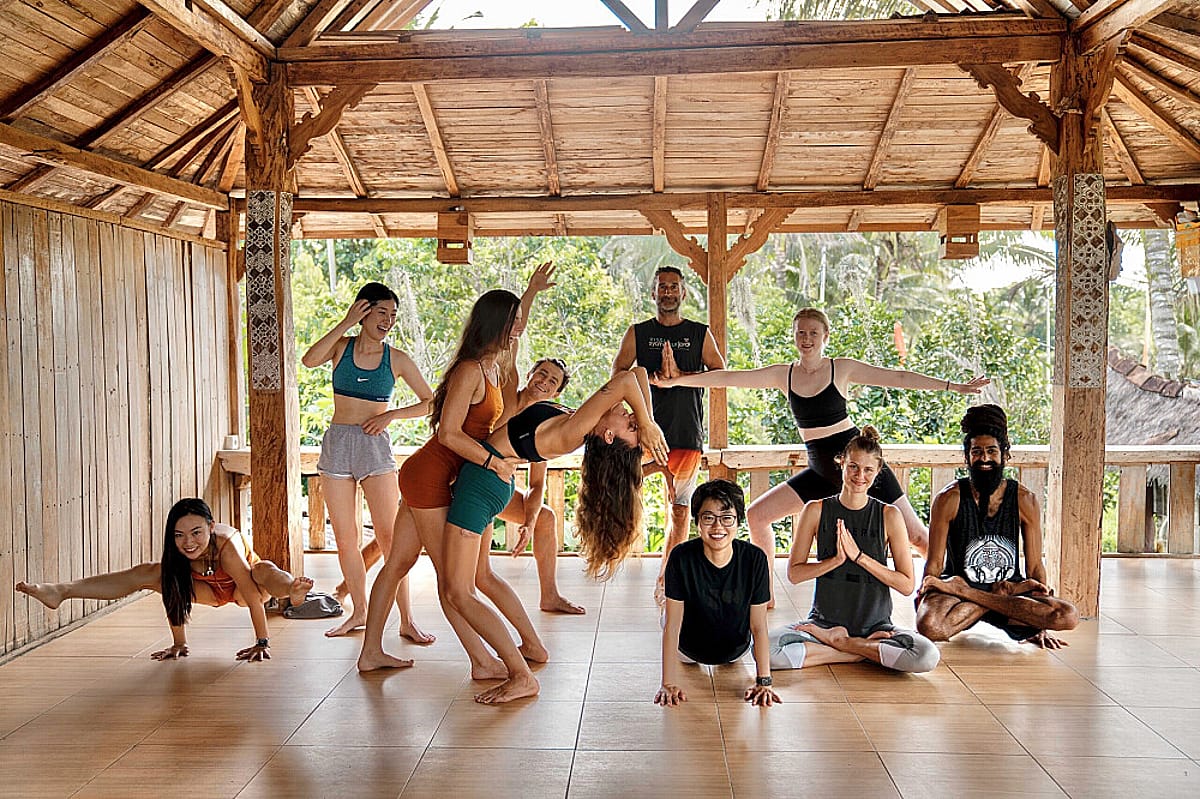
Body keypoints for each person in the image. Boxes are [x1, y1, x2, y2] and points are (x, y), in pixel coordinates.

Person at [656, 306, 987, 604]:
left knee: (916, 535)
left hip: (858, 466)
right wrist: (678, 383)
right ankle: (764, 594)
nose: (806, 339)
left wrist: (953, 387)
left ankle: (962, 586)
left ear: (825, 336)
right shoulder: (782, 374)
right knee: (757, 516)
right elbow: (729, 377)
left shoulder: (840, 369)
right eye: (801, 332)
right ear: (794, 336)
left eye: (813, 333)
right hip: (821, 473)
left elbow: (897, 377)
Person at [356, 268, 554, 681]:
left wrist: (531, 292)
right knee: (453, 583)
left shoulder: (496, 367)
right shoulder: (469, 371)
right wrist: (492, 462)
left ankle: (370, 652)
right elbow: (447, 434)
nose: (519, 328)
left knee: (398, 563)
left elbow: (519, 331)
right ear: (497, 325)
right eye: (513, 320)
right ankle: (482, 661)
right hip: (430, 476)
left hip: (441, 477)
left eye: (520, 320)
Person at [437, 365, 668, 702]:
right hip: (493, 480)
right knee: (482, 576)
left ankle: (521, 675)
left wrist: (646, 424)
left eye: (630, 425)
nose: (632, 415)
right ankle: (533, 646)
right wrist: (650, 425)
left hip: (480, 485)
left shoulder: (576, 429)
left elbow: (623, 382)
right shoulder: (579, 420)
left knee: (458, 592)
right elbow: (640, 373)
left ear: (608, 436)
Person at [340, 358, 586, 614]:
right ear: (530, 374)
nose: (544, 382)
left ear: (557, 392)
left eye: (552, 381)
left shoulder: (545, 421)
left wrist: (530, 522)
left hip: (488, 485)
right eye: (541, 374)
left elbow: (537, 484)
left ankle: (550, 595)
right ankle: (347, 587)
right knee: (399, 536)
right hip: (455, 472)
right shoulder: (504, 396)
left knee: (544, 517)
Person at [16, 498, 312, 662]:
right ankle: (62, 590)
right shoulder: (177, 552)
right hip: (209, 590)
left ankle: (292, 591)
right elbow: (175, 594)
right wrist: (178, 643)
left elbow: (248, 593)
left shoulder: (226, 545)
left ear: (210, 526)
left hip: (248, 590)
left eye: (197, 532)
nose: (189, 542)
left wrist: (262, 642)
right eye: (180, 535)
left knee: (263, 570)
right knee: (149, 572)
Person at [300, 282, 435, 641]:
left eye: (393, 315)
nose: (388, 320)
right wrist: (345, 323)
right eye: (381, 313)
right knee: (346, 538)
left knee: (392, 539)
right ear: (363, 310)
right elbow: (309, 360)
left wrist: (391, 416)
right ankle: (358, 611)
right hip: (338, 443)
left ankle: (406, 620)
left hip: (374, 447)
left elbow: (429, 402)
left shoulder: (398, 358)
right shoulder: (341, 348)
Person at [769, 427, 940, 674]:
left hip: (878, 628)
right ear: (842, 464)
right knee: (768, 651)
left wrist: (860, 558)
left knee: (925, 656)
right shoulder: (815, 510)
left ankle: (844, 645)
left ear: (878, 472)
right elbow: (795, 574)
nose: (860, 476)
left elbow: (905, 584)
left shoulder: (889, 515)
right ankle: (863, 652)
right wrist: (836, 560)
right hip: (822, 626)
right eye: (853, 467)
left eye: (868, 470)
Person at [916, 404, 1079, 649]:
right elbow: (936, 564)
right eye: (977, 451)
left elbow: (1034, 565)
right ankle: (986, 596)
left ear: (1005, 454)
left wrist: (1040, 624)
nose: (984, 459)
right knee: (931, 626)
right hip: (960, 594)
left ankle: (984, 597)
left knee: (1067, 615)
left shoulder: (1024, 500)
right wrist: (928, 589)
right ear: (967, 456)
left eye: (992, 451)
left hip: (1005, 592)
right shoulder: (949, 499)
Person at [611, 265, 725, 602]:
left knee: (679, 509)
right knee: (626, 490)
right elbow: (617, 373)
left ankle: (666, 579)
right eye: (662, 287)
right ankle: (613, 559)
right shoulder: (638, 333)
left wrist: (680, 376)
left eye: (674, 287)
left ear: (684, 293)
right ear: (653, 293)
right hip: (642, 434)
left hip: (686, 432)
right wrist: (647, 377)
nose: (668, 292)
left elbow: (720, 374)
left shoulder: (700, 332)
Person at [655, 479, 780, 709]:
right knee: (666, 618)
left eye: (726, 518)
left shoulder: (755, 559)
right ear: (697, 522)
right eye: (708, 518)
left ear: (738, 521)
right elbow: (672, 626)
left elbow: (759, 626)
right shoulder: (681, 557)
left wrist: (764, 681)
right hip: (687, 650)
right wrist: (668, 683)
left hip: (734, 651)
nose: (718, 527)